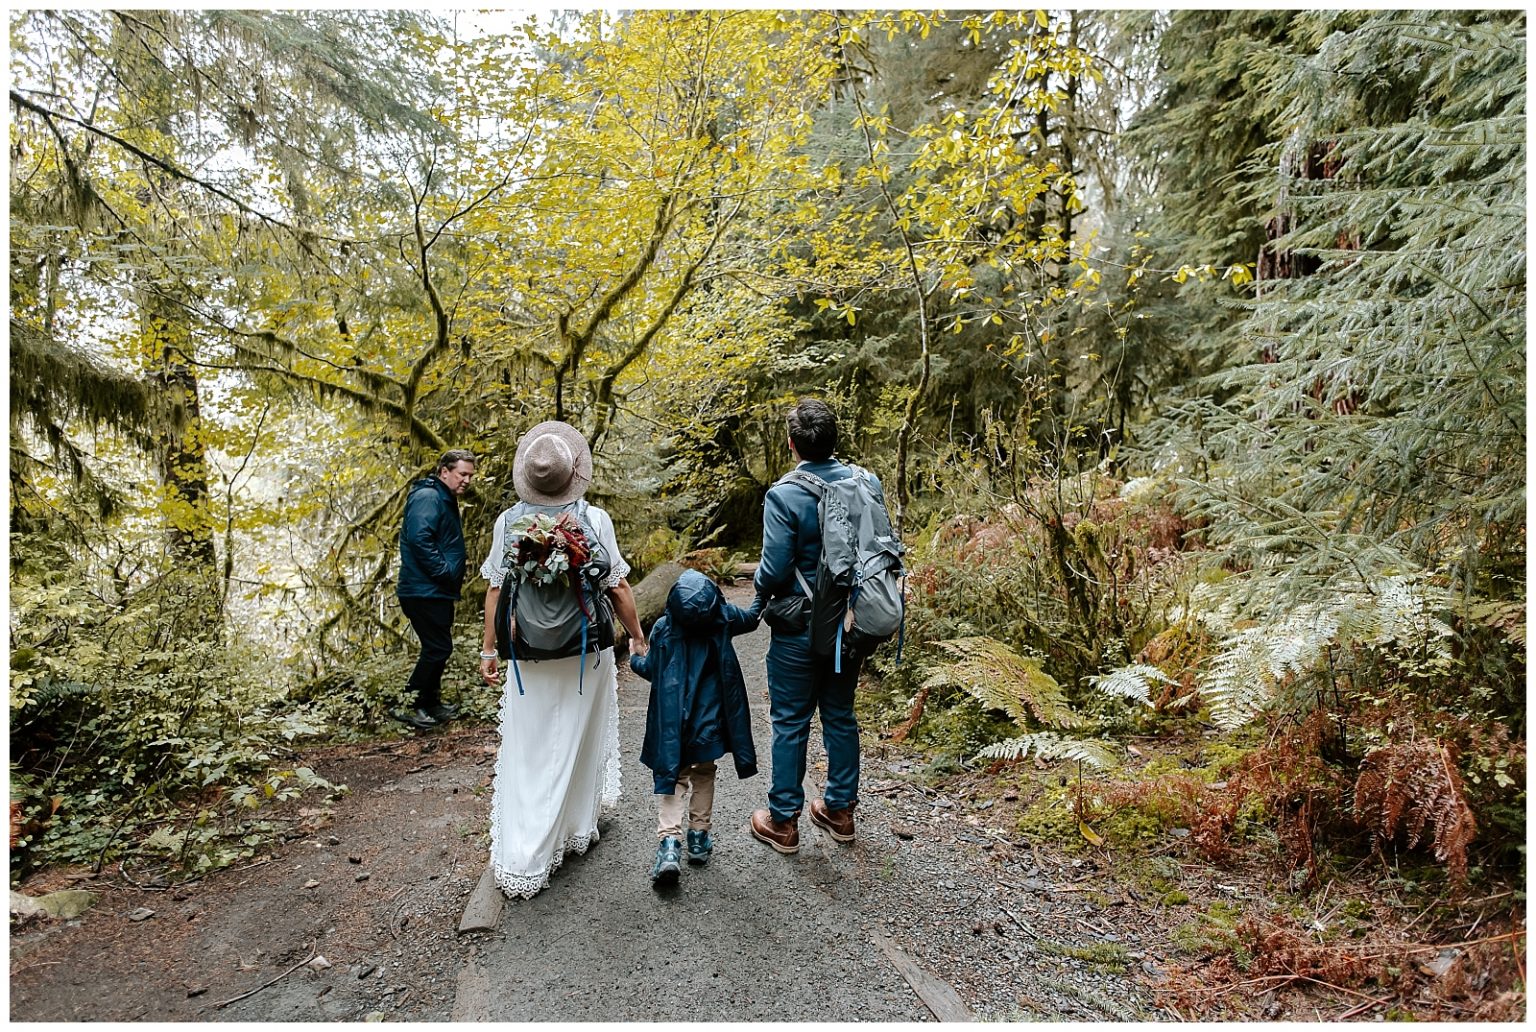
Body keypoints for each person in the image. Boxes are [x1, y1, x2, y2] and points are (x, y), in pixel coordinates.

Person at [475, 421, 647, 899]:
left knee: (530, 747)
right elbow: (618, 585)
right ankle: (567, 830)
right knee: (576, 737)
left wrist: (490, 648)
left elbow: (494, 589)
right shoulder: (594, 520)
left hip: (526, 651)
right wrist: (637, 638)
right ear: (575, 473)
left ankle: (525, 849)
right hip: (584, 651)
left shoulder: (508, 522)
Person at [750, 398, 876, 853]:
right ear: (835, 440)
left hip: (800, 625)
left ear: (792, 445)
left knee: (790, 719)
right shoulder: (866, 482)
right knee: (839, 714)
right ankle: (840, 811)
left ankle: (783, 821)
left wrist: (759, 596)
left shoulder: (784, 494)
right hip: (851, 621)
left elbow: (773, 569)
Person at [630, 570, 762, 886]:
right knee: (704, 774)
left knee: (674, 779)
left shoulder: (664, 628)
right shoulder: (724, 619)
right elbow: (754, 618)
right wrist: (762, 592)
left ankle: (670, 847)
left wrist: (635, 659)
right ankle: (699, 839)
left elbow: (652, 671)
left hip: (674, 726)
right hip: (710, 725)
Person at [394, 448, 477, 730]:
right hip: (422, 589)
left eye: (470, 476)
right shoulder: (429, 496)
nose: (466, 480)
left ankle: (431, 703)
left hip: (434, 590)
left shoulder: (444, 497)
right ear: (445, 472)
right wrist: (444, 571)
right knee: (437, 647)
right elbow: (420, 538)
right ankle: (410, 704)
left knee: (438, 647)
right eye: (462, 474)